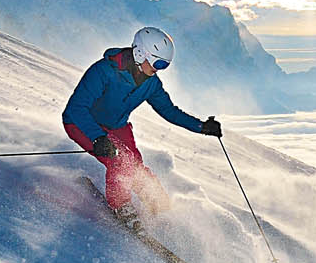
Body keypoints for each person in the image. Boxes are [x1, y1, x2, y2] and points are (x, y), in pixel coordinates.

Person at [62, 26, 221, 225]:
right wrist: (97, 137)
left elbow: (169, 111)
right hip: (82, 123)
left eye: (164, 65)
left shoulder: (150, 83)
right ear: (140, 53)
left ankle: (161, 207)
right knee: (119, 161)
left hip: (116, 126)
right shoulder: (104, 71)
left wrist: (201, 126)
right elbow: (76, 108)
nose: (159, 69)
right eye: (158, 63)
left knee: (135, 165)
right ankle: (122, 207)